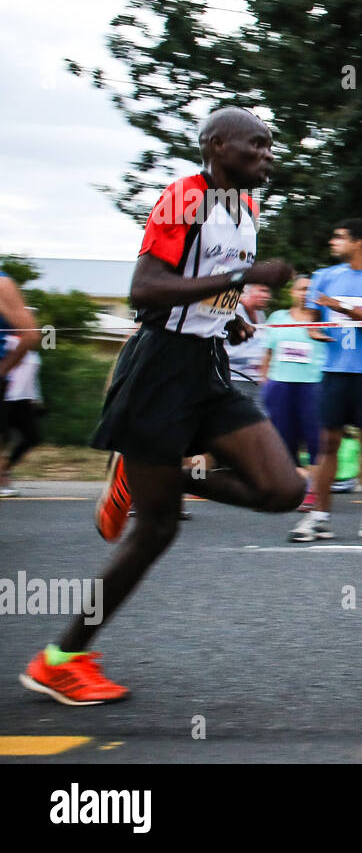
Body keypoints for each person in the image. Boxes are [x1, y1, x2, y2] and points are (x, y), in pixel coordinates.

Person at [19, 107, 302, 706]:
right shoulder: (183, 199)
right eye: (257, 145)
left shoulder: (246, 209)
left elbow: (210, 283)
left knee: (283, 490)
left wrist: (235, 317)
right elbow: (144, 291)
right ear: (217, 146)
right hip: (160, 371)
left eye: (271, 147)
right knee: (157, 529)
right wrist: (243, 280)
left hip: (208, 366)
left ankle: (158, 472)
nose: (268, 156)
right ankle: (60, 660)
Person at [291, 219, 362, 543]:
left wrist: (340, 305)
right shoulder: (323, 277)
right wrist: (316, 332)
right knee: (328, 444)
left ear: (359, 242)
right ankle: (319, 518)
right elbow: (313, 322)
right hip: (335, 372)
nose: (332, 242)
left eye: (339, 237)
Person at [260, 275, 329, 511]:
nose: (305, 293)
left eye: (310, 290)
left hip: (312, 387)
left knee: (315, 443)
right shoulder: (277, 318)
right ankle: (289, 490)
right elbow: (267, 355)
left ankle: (313, 492)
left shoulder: (323, 320)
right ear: (292, 292)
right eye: (301, 289)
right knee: (281, 443)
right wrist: (265, 381)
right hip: (280, 386)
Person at [0, 269, 39, 464]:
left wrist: (3, 369)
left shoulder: (2, 284)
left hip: (15, 394)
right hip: (12, 393)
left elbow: (31, 335)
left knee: (29, 437)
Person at [1, 336, 42, 496]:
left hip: (25, 400)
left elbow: (33, 377)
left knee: (32, 438)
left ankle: (5, 469)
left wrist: (38, 399)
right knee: (3, 439)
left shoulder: (30, 347)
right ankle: (3, 480)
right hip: (7, 397)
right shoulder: (7, 342)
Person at [226, 283, 270, 411]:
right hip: (235, 378)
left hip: (256, 379)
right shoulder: (236, 311)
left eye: (267, 292)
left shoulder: (260, 314)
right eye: (262, 290)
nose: (266, 296)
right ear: (248, 292)